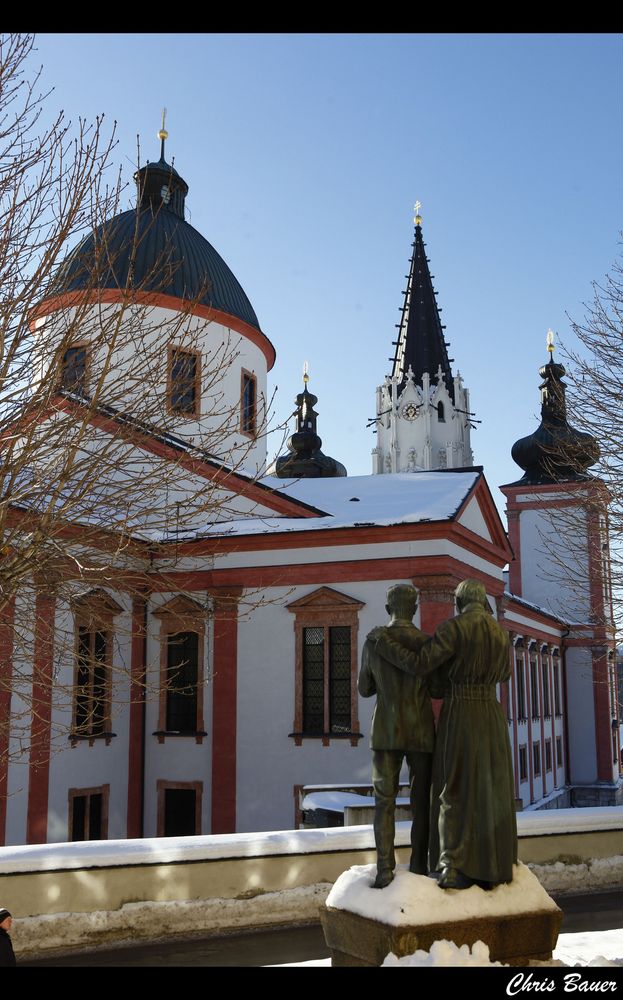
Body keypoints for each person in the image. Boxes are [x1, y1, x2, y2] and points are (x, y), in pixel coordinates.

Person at [369, 579, 517, 890]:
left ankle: (451, 864)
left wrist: (384, 645)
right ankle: (494, 864)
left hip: (461, 710)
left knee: (452, 786)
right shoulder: (500, 634)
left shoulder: (453, 628)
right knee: (490, 789)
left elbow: (421, 664)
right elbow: (504, 674)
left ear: (461, 601)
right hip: (491, 713)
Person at [358, 584, 435, 888]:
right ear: (414, 609)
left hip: (386, 731)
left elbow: (365, 689)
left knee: (383, 803)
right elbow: (436, 687)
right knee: (422, 803)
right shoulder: (426, 644)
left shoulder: (374, 642)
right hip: (421, 731)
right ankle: (418, 865)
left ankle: (384, 868)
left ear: (389, 609)